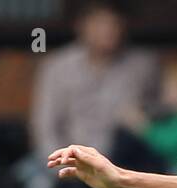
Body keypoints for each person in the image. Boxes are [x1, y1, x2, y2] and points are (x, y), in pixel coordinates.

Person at [30, 0, 159, 160]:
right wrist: (60, 163)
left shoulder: (144, 65)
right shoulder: (57, 67)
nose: (108, 31)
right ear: (81, 26)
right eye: (100, 23)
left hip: (127, 163)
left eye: (114, 24)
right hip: (70, 163)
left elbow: (160, 121)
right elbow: (45, 127)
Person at [113, 60, 177, 174]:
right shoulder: (176, 117)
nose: (166, 92)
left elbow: (168, 144)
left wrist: (140, 124)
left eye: (172, 88)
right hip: (170, 171)